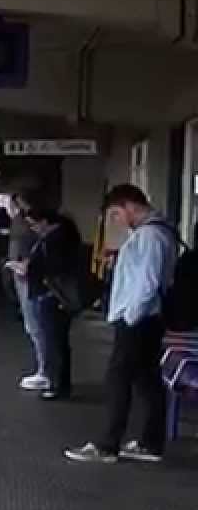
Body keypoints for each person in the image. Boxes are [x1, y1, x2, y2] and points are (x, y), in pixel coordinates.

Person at [66, 184, 178, 463]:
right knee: (147, 379)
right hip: (149, 318)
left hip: (140, 319)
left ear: (129, 206)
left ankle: (107, 445)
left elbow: (147, 282)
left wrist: (129, 317)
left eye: (116, 214)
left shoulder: (150, 236)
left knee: (118, 379)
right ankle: (150, 443)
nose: (116, 221)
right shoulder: (159, 232)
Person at [17, 206, 82, 401]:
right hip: (52, 295)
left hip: (51, 297)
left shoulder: (55, 241)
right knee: (57, 341)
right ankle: (57, 382)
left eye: (33, 224)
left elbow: (49, 269)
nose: (33, 228)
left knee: (54, 342)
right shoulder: (62, 237)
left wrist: (26, 269)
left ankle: (56, 384)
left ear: (44, 221)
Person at [7, 195, 47, 391]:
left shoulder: (28, 226)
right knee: (34, 327)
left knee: (37, 327)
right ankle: (44, 369)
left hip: (29, 279)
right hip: (24, 276)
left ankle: (45, 371)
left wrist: (24, 266)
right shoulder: (23, 222)